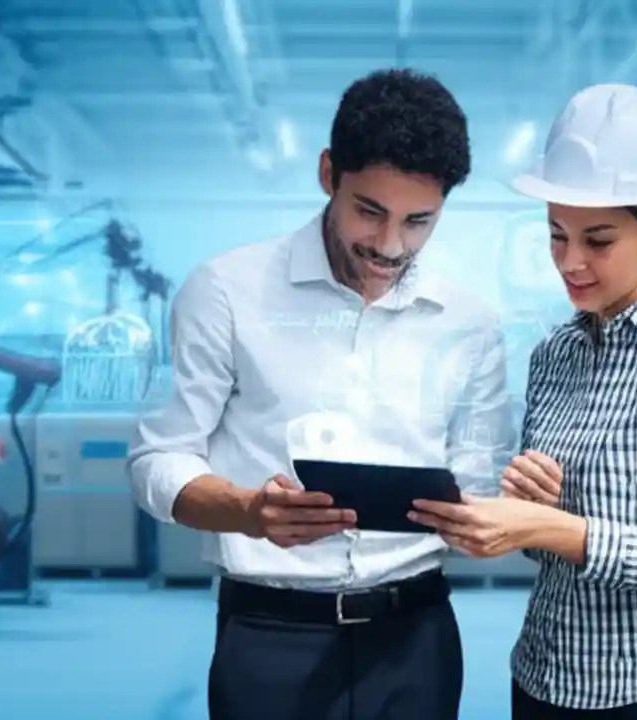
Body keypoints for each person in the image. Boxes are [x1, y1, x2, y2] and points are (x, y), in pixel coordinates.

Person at [126, 68, 516, 720]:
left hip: (416, 640)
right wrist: (247, 510)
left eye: (419, 221)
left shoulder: (469, 323)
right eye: (370, 211)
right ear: (329, 173)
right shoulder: (226, 292)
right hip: (271, 637)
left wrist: (499, 507)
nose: (390, 246)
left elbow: (480, 482)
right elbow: (157, 459)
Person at [409, 83, 637, 719]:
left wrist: (547, 525)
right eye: (556, 235)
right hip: (547, 680)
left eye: (598, 241)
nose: (570, 261)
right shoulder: (555, 355)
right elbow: (546, 548)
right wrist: (528, 506)